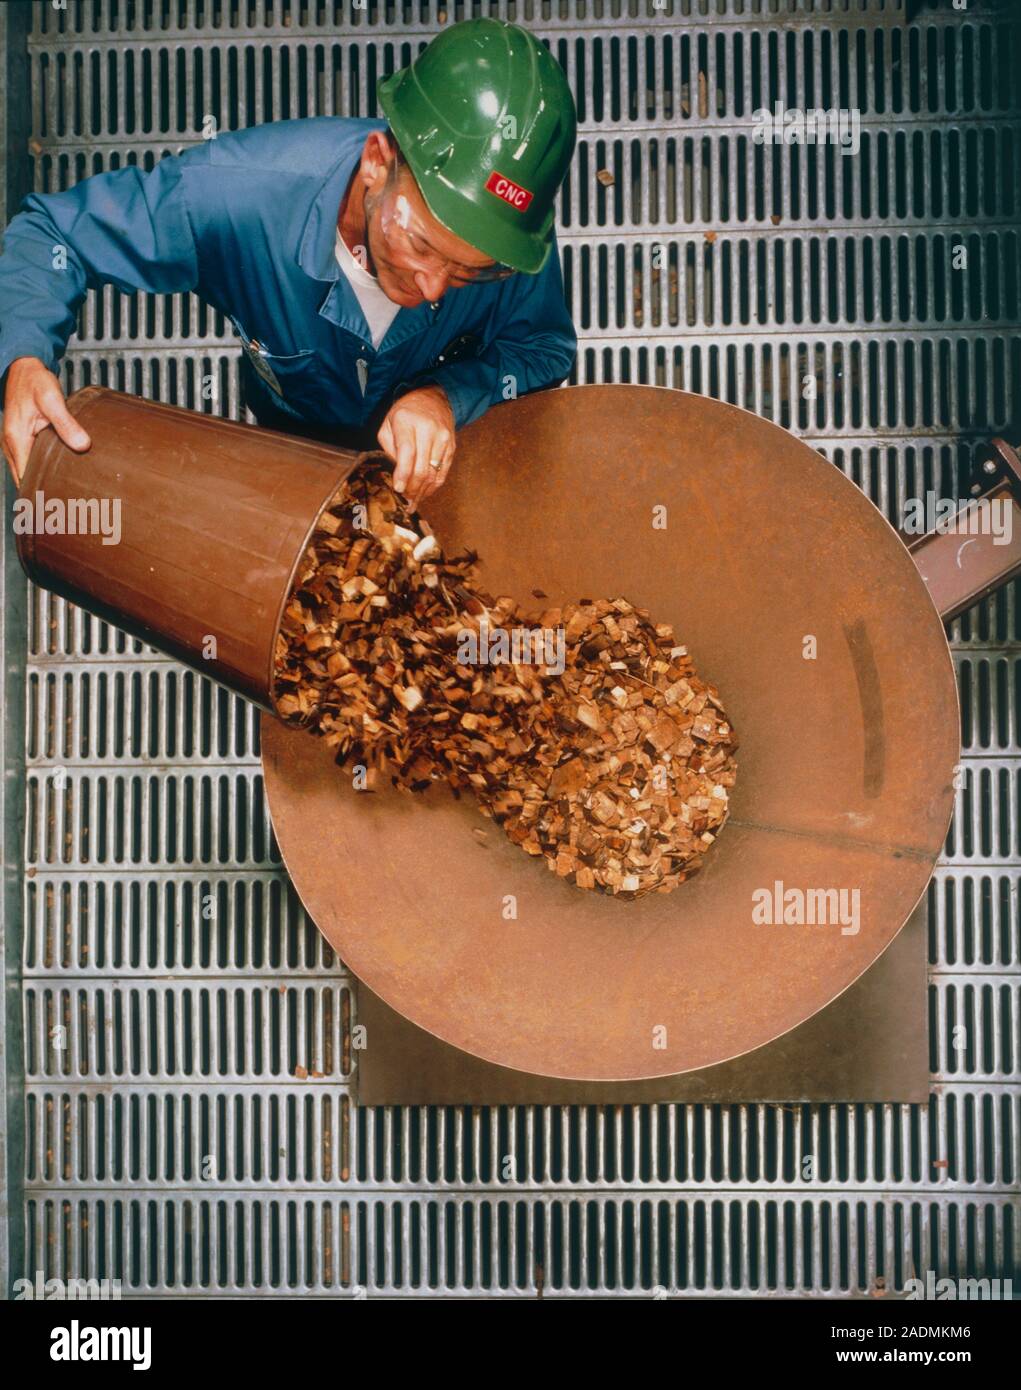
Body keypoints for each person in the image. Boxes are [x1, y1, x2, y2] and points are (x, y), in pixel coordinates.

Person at [0, 18, 577, 506]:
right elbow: (55, 235)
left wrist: (446, 396)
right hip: (293, 445)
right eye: (422, 246)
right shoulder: (235, 198)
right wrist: (24, 358)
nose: (434, 289)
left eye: (467, 272)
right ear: (378, 160)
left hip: (441, 468)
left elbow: (542, 349)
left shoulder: (500, 243)